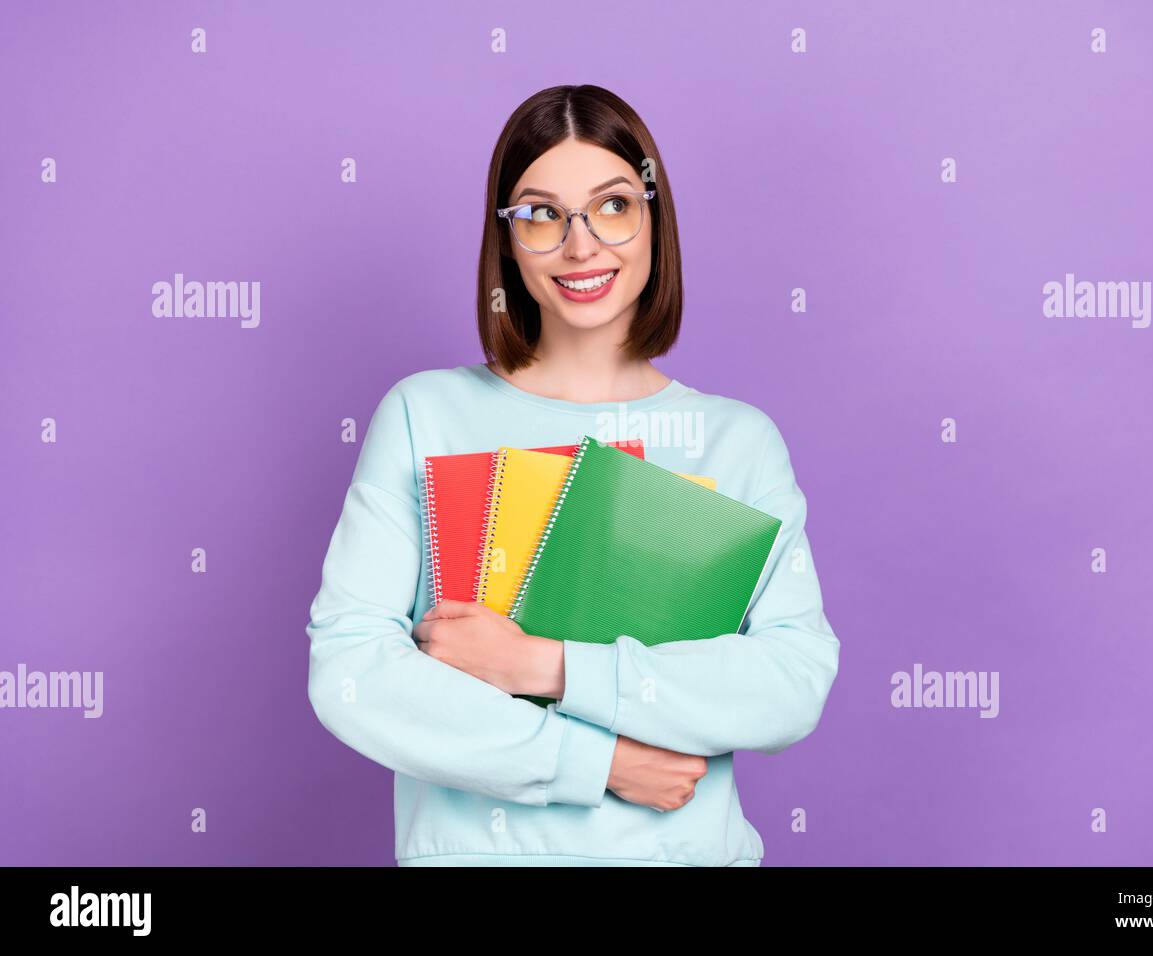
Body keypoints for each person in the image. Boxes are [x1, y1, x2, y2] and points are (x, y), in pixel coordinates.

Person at [306, 84, 840, 866]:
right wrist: (600, 765)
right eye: (541, 214)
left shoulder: (735, 442)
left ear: (654, 218)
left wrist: (544, 665)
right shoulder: (426, 414)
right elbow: (352, 673)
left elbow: (792, 680)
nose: (581, 246)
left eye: (613, 206)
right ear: (507, 238)